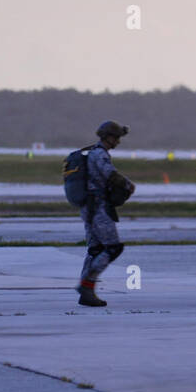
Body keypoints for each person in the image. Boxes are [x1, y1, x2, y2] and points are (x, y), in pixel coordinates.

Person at [76, 120, 132, 307]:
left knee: (95, 249)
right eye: (116, 137)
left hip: (90, 207)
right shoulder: (100, 154)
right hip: (98, 207)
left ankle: (86, 290)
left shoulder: (93, 152)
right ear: (108, 137)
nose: (118, 141)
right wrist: (128, 185)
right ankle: (86, 285)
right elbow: (110, 175)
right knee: (113, 248)